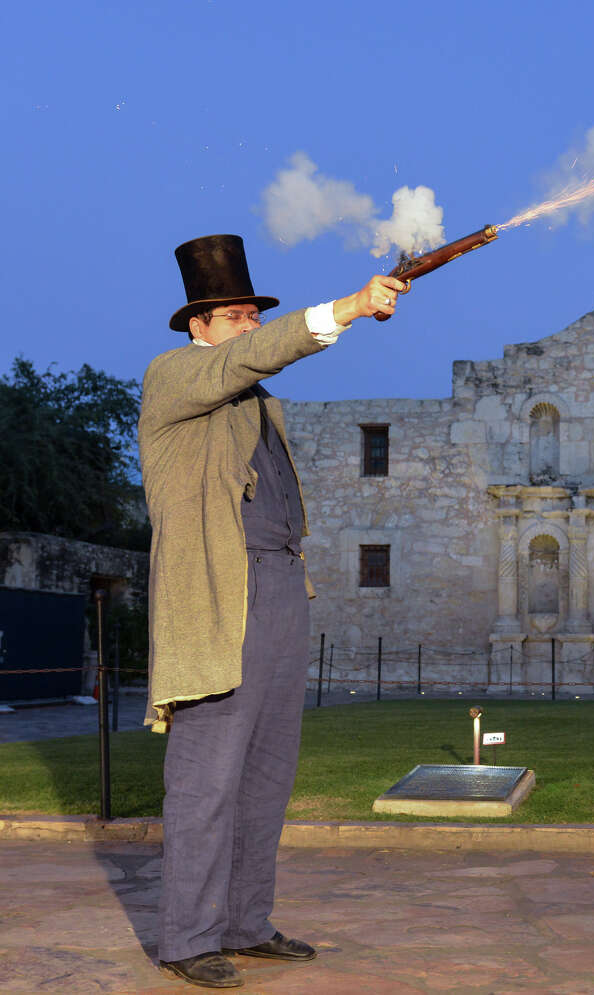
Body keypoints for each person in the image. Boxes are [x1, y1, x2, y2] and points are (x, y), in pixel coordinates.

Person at [139, 234, 405, 989]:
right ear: (200, 326)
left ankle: (245, 922)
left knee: (265, 776)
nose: (249, 325)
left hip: (283, 589)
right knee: (205, 780)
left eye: (255, 313)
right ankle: (187, 937)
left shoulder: (256, 403)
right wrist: (349, 307)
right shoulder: (176, 375)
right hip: (221, 597)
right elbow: (241, 364)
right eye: (234, 314)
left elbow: (252, 374)